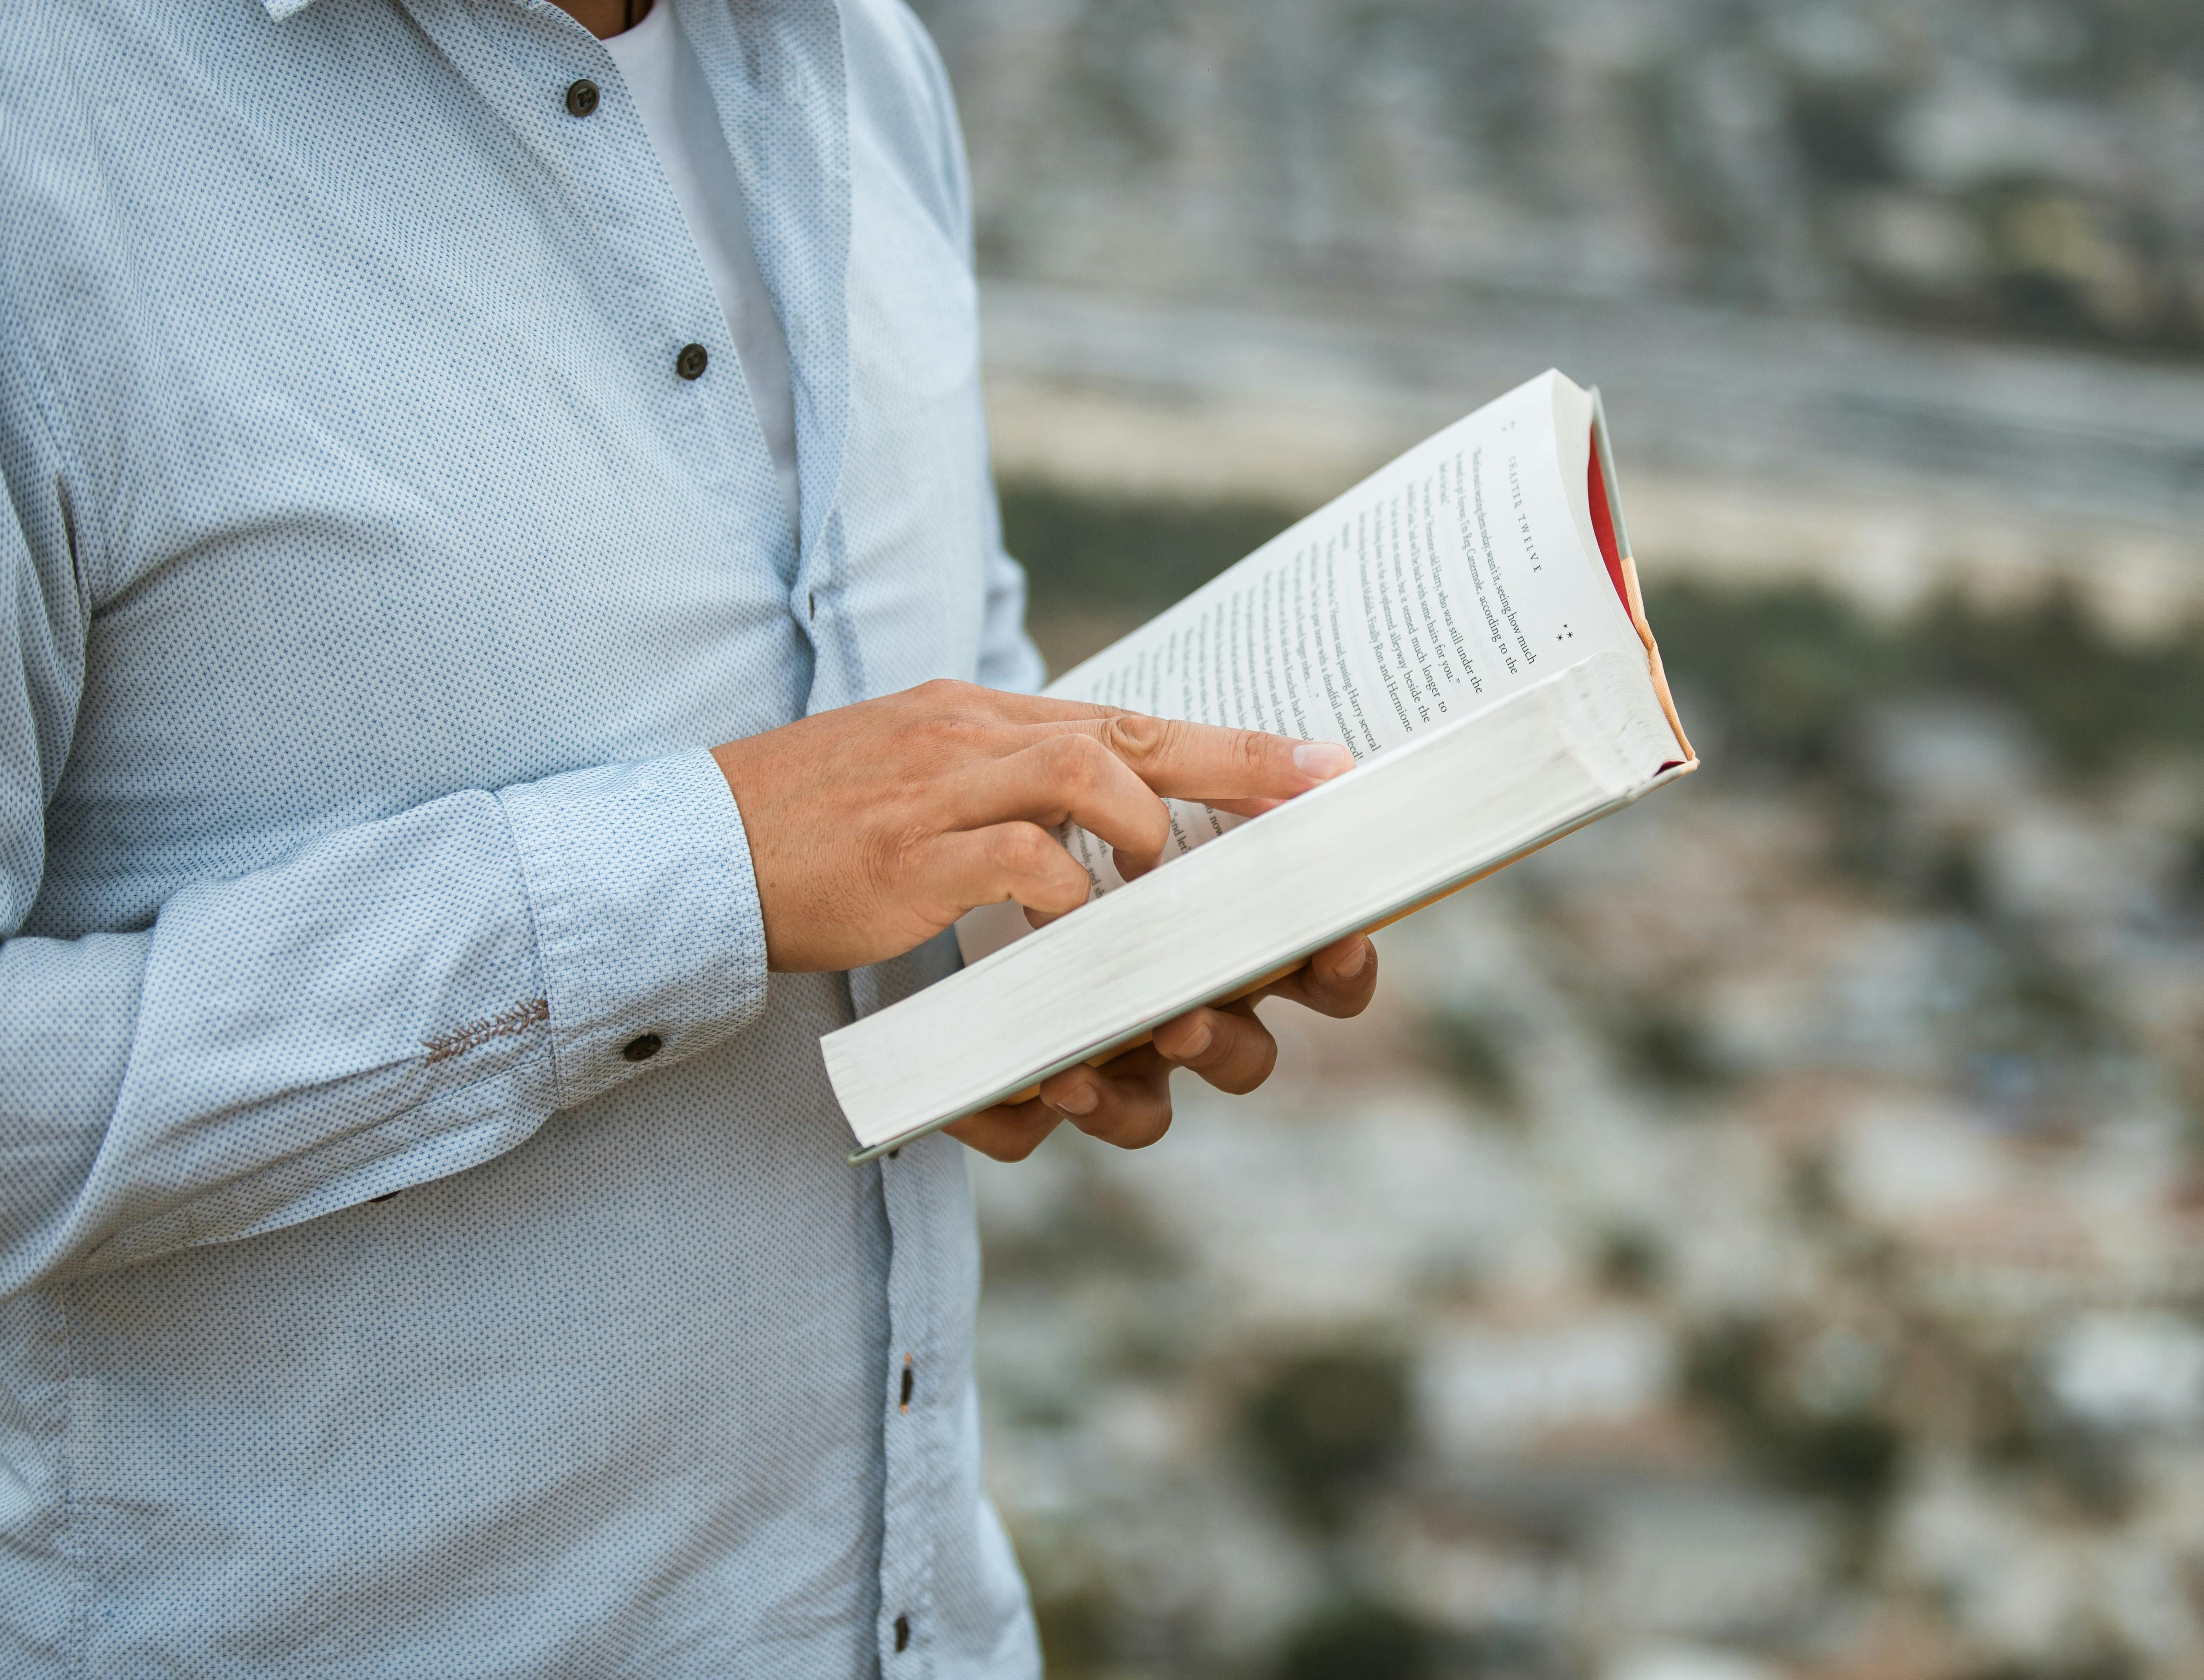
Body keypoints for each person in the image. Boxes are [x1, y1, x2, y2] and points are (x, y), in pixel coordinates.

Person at [0, 0, 1376, 1672]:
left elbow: (945, 705)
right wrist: (689, 877)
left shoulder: (868, 60)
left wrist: (1080, 937)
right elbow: (759, 853)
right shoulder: (43, 137)